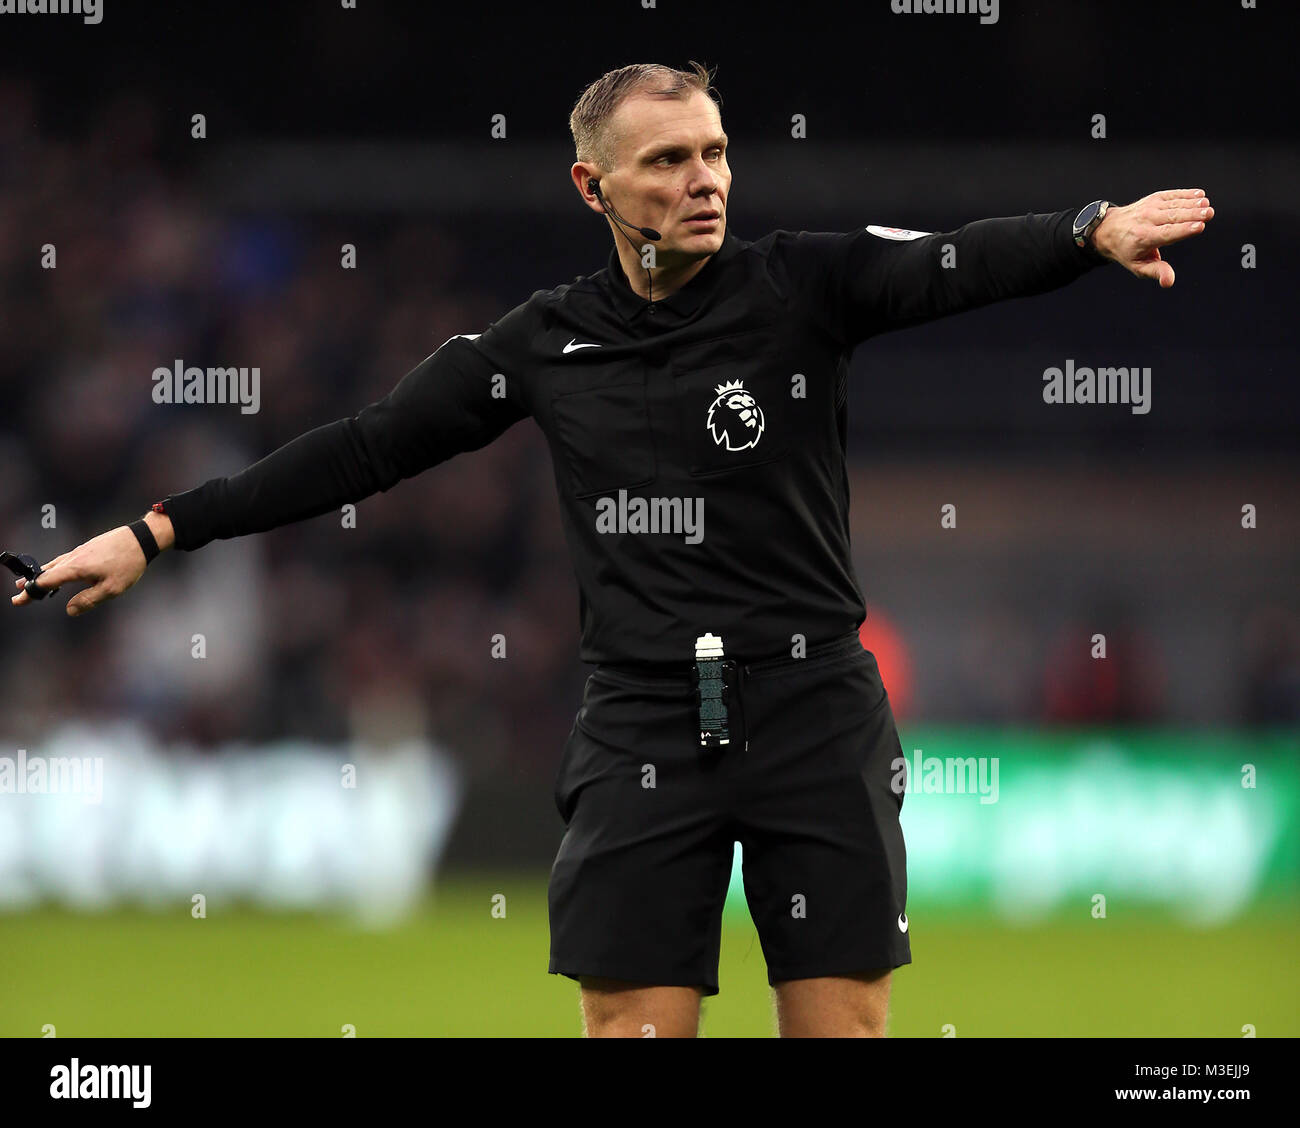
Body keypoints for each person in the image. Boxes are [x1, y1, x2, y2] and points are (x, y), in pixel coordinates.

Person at [10, 60, 1214, 1037]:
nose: (705, 181)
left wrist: (1086, 229)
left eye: (716, 153)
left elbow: (949, 264)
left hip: (812, 711)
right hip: (643, 722)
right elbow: (365, 449)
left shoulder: (803, 286)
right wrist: (159, 530)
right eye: (668, 161)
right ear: (593, 187)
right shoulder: (542, 344)